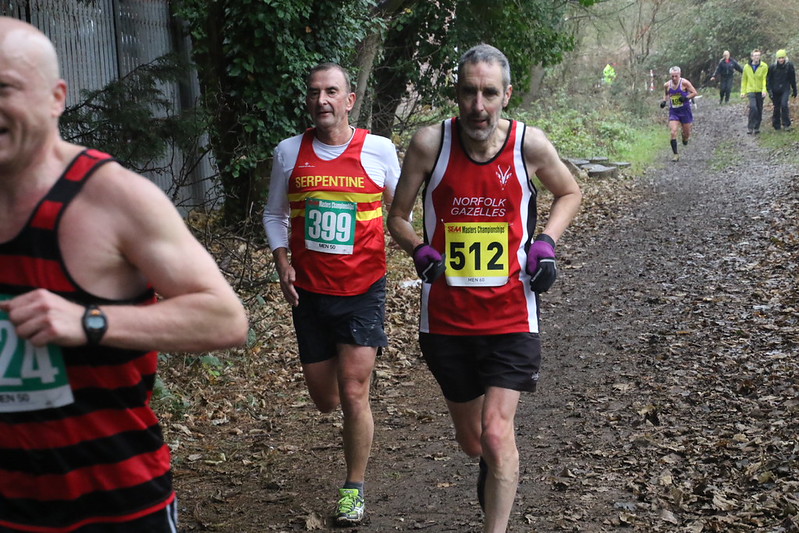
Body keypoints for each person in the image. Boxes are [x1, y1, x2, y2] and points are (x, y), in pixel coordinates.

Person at [0, 16, 249, 533]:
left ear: (55, 98)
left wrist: (89, 322)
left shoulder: (114, 197)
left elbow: (225, 319)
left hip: (117, 507)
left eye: (4, 89)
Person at [387, 44, 582, 533]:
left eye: (489, 93)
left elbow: (571, 191)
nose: (479, 105)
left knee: (496, 435)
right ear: (457, 93)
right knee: (474, 442)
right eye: (470, 92)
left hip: (513, 314)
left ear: (506, 95)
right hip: (447, 320)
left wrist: (546, 244)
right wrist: (418, 248)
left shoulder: (528, 145)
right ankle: (494, 467)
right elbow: (397, 216)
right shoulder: (430, 144)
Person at [262, 63, 399, 526]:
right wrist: (283, 263)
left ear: (349, 100)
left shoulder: (378, 150)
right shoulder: (288, 152)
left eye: (331, 92)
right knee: (326, 399)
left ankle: (353, 487)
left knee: (354, 389)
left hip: (363, 289)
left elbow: (399, 212)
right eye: (315, 92)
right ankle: (347, 410)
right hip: (310, 295)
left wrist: (425, 254)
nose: (322, 100)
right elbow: (274, 215)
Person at [660, 66, 698, 162]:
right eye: (672, 76)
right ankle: (675, 154)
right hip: (674, 111)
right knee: (673, 132)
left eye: (676, 76)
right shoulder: (667, 85)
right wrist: (664, 101)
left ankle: (685, 138)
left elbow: (694, 93)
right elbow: (666, 94)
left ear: (679, 75)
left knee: (686, 134)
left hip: (685, 111)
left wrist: (686, 98)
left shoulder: (684, 83)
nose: (674, 78)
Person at [767, 49, 797, 131]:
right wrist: (769, 91)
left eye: (782, 58)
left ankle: (786, 124)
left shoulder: (789, 66)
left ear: (785, 58)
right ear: (777, 58)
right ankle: (776, 125)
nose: (781, 60)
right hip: (775, 89)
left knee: (784, 105)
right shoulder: (772, 67)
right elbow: (768, 80)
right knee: (776, 107)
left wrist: (795, 90)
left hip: (785, 88)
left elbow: (792, 79)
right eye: (779, 58)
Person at [741, 49, 769, 134]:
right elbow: (744, 80)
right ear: (752, 57)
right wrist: (743, 92)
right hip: (751, 90)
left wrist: (764, 90)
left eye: (758, 55)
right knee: (753, 107)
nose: (757, 57)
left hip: (760, 90)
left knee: (759, 109)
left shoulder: (764, 66)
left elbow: (765, 79)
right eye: (755, 55)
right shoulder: (746, 67)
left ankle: (757, 127)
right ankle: (750, 126)